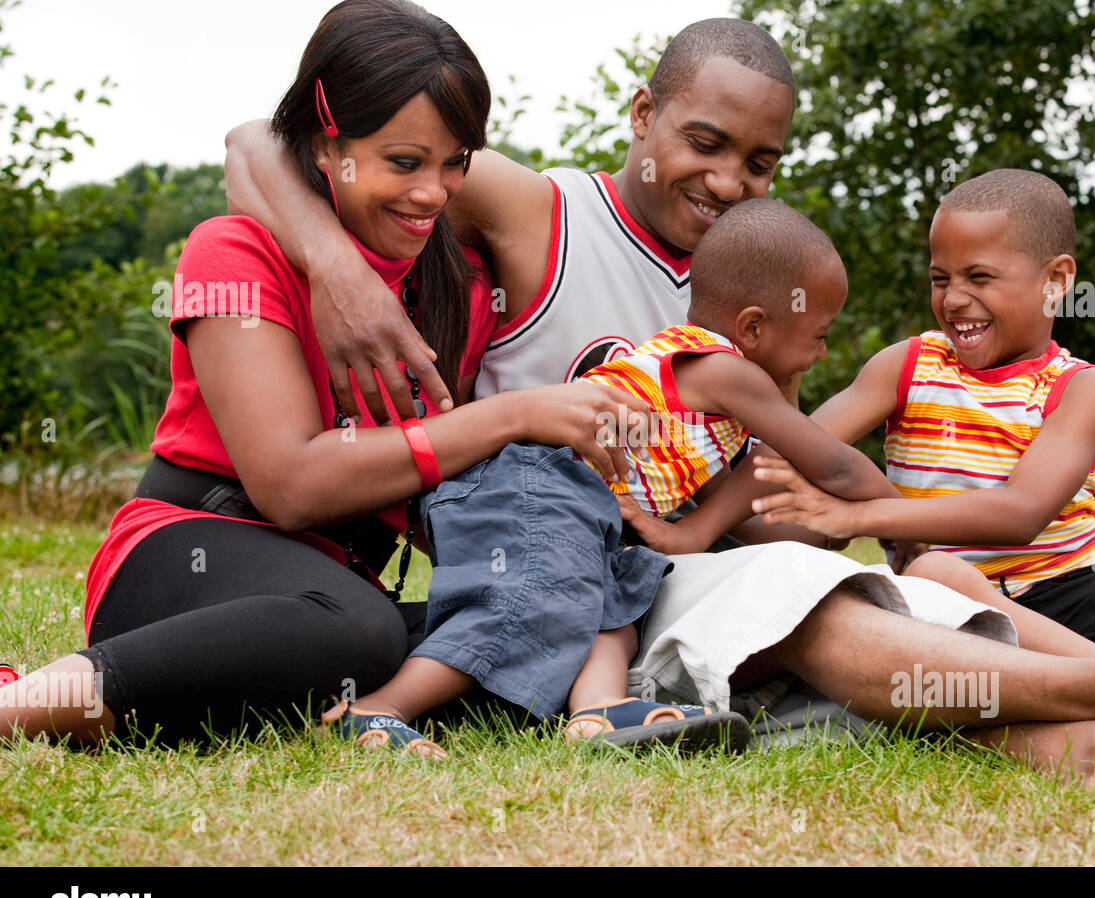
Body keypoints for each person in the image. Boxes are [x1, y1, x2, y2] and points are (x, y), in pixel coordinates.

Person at [221, 18, 1095, 786]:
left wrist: (887, 540)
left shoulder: (750, 286)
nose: (732, 178)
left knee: (866, 615)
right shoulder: (543, 209)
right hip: (550, 560)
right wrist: (340, 274)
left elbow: (776, 477)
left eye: (761, 160)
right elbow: (254, 143)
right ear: (642, 115)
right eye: (705, 142)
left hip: (669, 570)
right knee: (801, 594)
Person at [0, 0, 651, 751]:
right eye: (404, 162)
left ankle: (345, 717)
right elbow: (290, 485)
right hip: (186, 556)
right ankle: (25, 702)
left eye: (454, 164)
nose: (433, 194)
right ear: (324, 147)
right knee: (360, 630)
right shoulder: (232, 251)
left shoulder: (461, 287)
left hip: (334, 589)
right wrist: (516, 414)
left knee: (508, 647)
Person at [333, 198, 901, 751]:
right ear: (753, 328)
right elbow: (827, 460)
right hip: (541, 480)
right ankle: (379, 708)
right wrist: (898, 520)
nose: (822, 353)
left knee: (618, 601)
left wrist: (694, 534)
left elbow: (754, 472)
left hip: (588, 507)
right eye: (819, 334)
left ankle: (598, 713)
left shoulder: (711, 391)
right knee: (524, 598)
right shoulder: (724, 369)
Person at [744, 168, 1095, 660]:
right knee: (939, 577)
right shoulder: (908, 365)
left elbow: (1020, 513)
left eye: (979, 278)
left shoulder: (1083, 388)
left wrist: (858, 519)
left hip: (1073, 601)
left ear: (1056, 281)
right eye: (941, 279)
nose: (954, 298)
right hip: (946, 614)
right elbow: (796, 448)